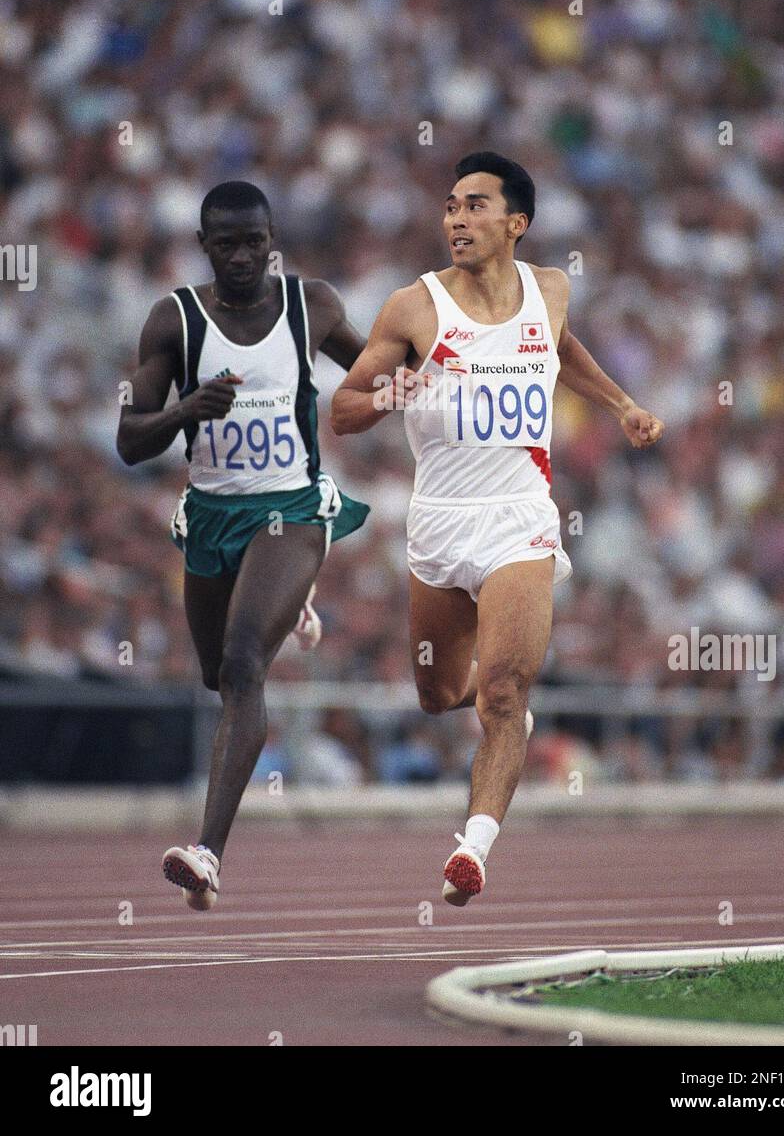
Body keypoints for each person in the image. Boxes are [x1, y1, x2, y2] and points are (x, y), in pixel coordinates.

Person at [331, 152, 664, 904]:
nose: (456, 219)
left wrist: (620, 405)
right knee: (437, 691)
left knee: (502, 697)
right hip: (439, 525)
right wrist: (392, 390)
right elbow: (342, 413)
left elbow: (560, 346)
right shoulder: (412, 307)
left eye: (475, 206)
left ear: (516, 222)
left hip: (519, 519)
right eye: (450, 206)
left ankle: (472, 849)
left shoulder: (550, 289)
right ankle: (497, 692)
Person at [117, 180, 369, 910]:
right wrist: (186, 410)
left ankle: (207, 852)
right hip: (210, 514)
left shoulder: (309, 305)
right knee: (215, 677)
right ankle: (291, 603)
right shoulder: (174, 321)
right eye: (224, 244)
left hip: (291, 508)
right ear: (203, 246)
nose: (239, 256)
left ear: (271, 239)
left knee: (243, 662)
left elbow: (378, 371)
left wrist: (437, 383)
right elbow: (129, 439)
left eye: (252, 241)